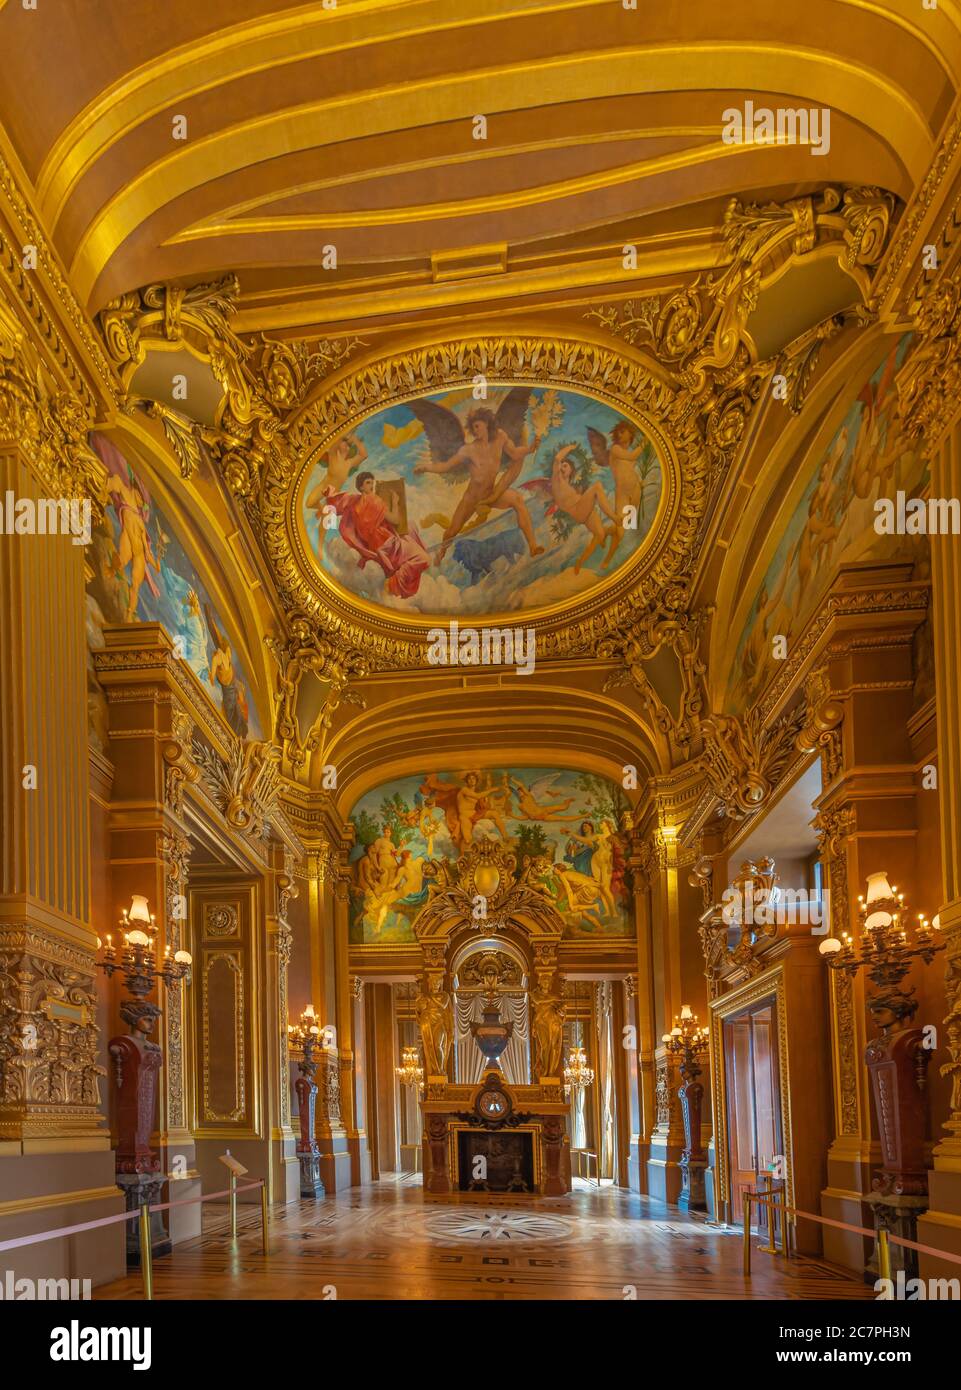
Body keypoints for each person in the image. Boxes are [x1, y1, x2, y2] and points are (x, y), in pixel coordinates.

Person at [414, 407, 543, 565]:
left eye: (478, 426)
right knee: (452, 531)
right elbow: (446, 466)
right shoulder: (468, 450)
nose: (475, 431)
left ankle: (533, 546)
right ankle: (441, 553)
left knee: (517, 499)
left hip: (490, 495)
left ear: (487, 424)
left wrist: (530, 449)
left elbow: (515, 453)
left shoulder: (500, 437)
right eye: (473, 427)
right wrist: (426, 468)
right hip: (471, 499)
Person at [325, 471, 430, 599]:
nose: (372, 485)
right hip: (388, 544)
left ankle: (400, 568)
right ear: (361, 486)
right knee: (424, 558)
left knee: (411, 527)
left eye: (372, 482)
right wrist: (396, 502)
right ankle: (393, 583)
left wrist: (329, 493)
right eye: (368, 483)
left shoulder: (353, 502)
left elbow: (338, 502)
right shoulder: (375, 501)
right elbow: (395, 520)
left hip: (375, 547)